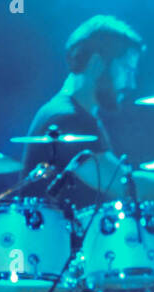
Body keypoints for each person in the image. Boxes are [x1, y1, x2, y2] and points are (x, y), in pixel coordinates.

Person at [21, 14, 144, 208]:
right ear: (97, 63)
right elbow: (123, 185)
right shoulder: (67, 119)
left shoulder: (77, 115)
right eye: (127, 70)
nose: (132, 83)